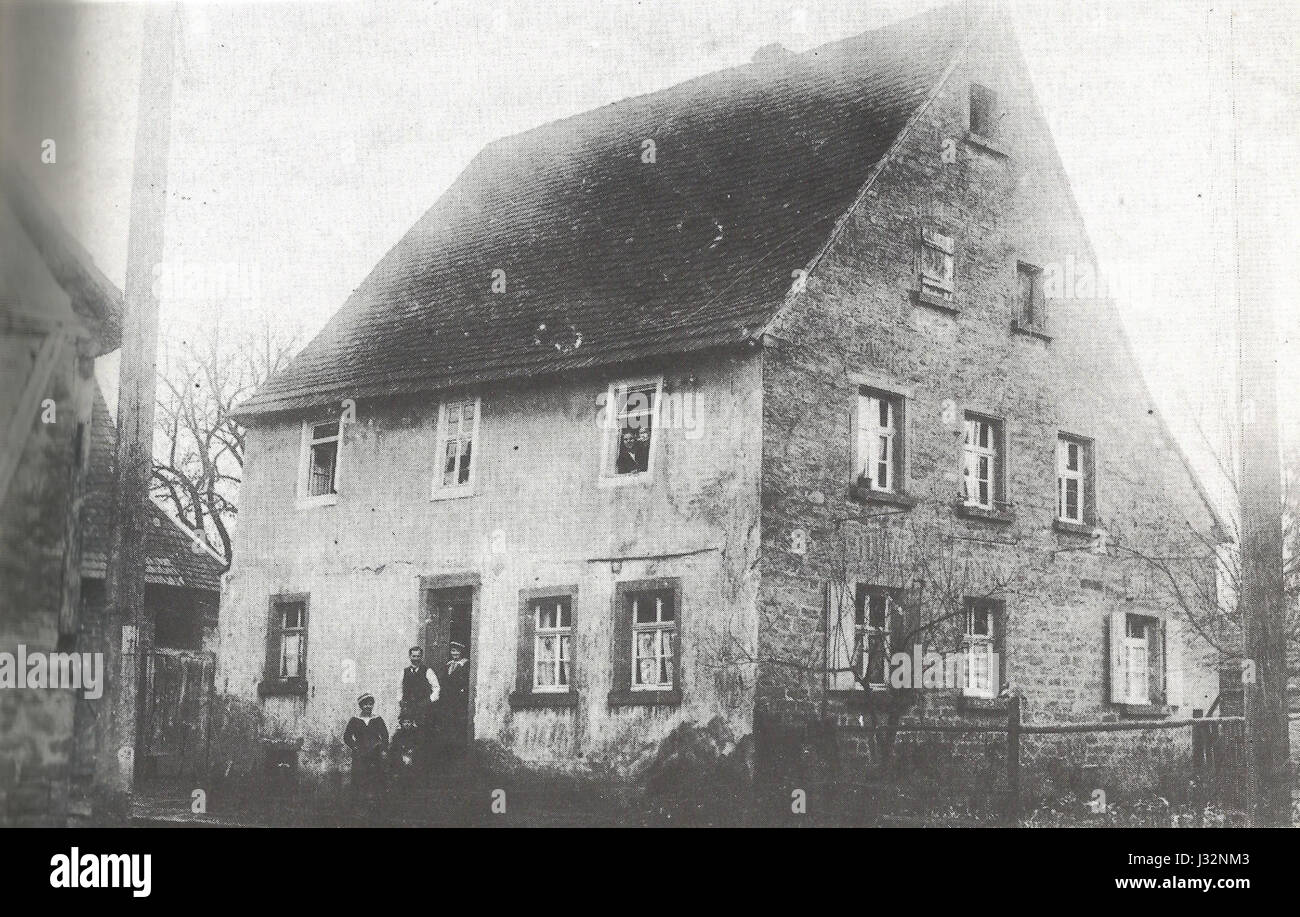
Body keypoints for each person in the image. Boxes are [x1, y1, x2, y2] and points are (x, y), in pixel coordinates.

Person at [342, 693, 388, 809]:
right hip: (360, 754)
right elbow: (347, 736)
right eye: (366, 704)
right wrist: (355, 747)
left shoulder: (377, 719)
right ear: (361, 706)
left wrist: (382, 749)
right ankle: (358, 805)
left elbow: (385, 736)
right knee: (360, 778)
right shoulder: (355, 720)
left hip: (375, 754)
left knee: (375, 777)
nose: (368, 706)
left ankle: (375, 804)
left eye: (371, 704)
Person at [399, 646, 440, 764]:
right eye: (413, 656)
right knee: (407, 736)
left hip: (423, 711)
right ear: (410, 657)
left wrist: (428, 701)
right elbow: (399, 688)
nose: (415, 659)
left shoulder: (428, 671)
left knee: (422, 737)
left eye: (418, 656)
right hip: (409, 710)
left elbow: (437, 688)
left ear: (421, 657)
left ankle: (422, 765)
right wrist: (401, 701)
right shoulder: (404, 672)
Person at [442, 641, 470, 756]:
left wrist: (462, 691)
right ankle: (448, 750)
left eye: (457, 651)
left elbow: (466, 682)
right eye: (453, 651)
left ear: (461, 652)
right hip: (448, 699)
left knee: (458, 723)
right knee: (448, 723)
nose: (455, 654)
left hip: (459, 700)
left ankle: (459, 750)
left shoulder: (465, 664)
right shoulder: (448, 665)